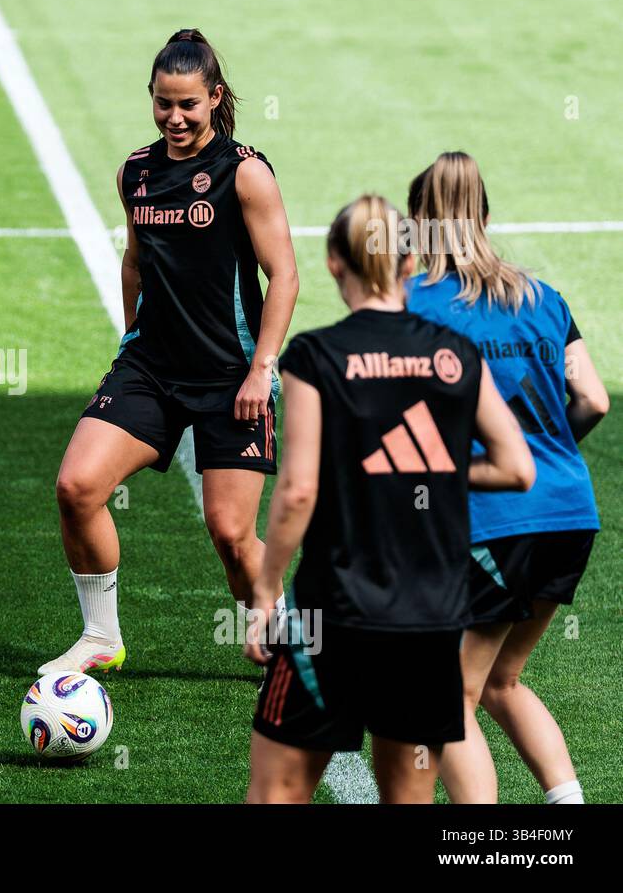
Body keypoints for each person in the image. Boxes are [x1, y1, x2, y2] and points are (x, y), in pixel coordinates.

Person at [245, 194, 534, 803]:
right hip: (430, 620)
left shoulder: (316, 356)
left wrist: (266, 593)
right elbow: (516, 468)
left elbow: (298, 490)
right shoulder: (454, 355)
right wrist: (434, 473)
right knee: (407, 797)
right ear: (409, 266)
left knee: (280, 792)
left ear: (332, 263)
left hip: (332, 617)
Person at [42, 29, 300, 676]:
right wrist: (130, 337)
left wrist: (262, 368)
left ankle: (283, 629)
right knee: (77, 486)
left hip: (231, 377)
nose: (175, 118)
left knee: (232, 536)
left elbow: (285, 275)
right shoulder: (137, 172)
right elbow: (134, 259)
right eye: (163, 104)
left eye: (188, 104)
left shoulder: (246, 173)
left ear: (214, 97)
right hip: (152, 367)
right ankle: (101, 636)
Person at [406, 152, 608, 803]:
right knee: (501, 682)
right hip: (570, 513)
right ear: (485, 216)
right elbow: (595, 399)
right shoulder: (545, 297)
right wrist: (546, 455)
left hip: (495, 521)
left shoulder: (417, 305)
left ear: (417, 225)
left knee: (448, 699)